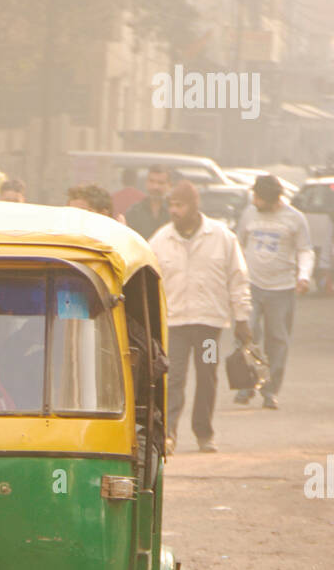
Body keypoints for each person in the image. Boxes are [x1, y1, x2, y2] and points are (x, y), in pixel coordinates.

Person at [149, 181, 252, 453]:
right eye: (172, 205)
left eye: (180, 205)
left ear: (195, 207)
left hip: (209, 325)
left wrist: (242, 318)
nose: (174, 210)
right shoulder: (160, 240)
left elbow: (238, 279)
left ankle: (204, 433)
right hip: (175, 324)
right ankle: (167, 434)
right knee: (174, 377)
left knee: (207, 376)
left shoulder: (222, 237)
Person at [235, 174, 314, 409]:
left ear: (273, 199)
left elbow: (305, 250)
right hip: (252, 286)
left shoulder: (295, 218)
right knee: (247, 334)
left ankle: (270, 390)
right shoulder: (248, 214)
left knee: (277, 340)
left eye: (259, 199)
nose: (255, 202)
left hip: (282, 289)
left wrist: (304, 276)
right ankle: (245, 384)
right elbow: (239, 245)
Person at [125, 166, 171, 241]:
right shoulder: (134, 212)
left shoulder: (174, 212)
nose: (155, 187)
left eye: (160, 183)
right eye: (152, 181)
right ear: (146, 183)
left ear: (169, 185)